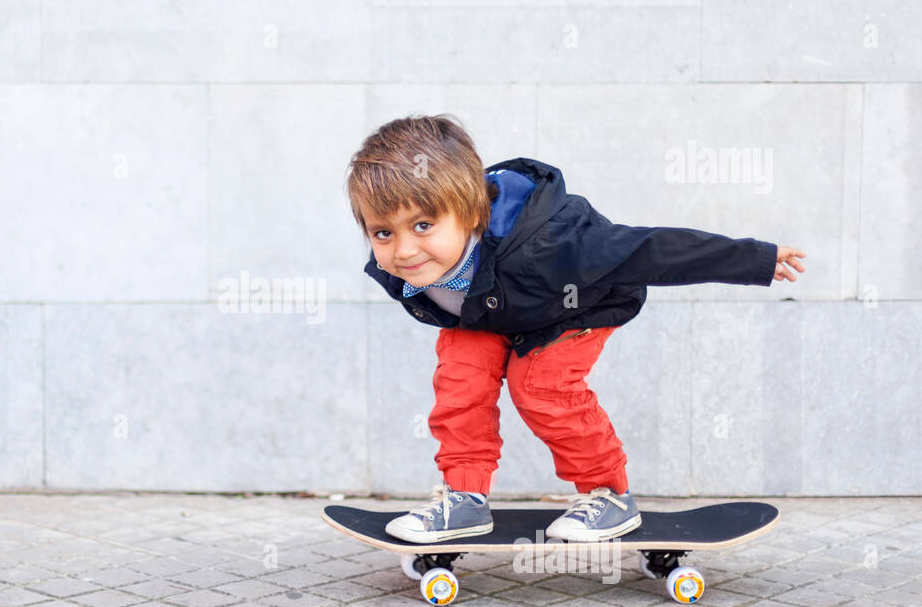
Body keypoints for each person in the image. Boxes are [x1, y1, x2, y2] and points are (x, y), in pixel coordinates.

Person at [345, 114, 805, 544]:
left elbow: (650, 249)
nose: (403, 250)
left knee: (540, 387)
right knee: (459, 382)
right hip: (494, 314)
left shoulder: (553, 242)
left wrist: (755, 259)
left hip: (575, 309)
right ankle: (465, 498)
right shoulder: (400, 270)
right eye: (383, 233)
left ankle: (609, 495)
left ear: (470, 213)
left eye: (423, 225)